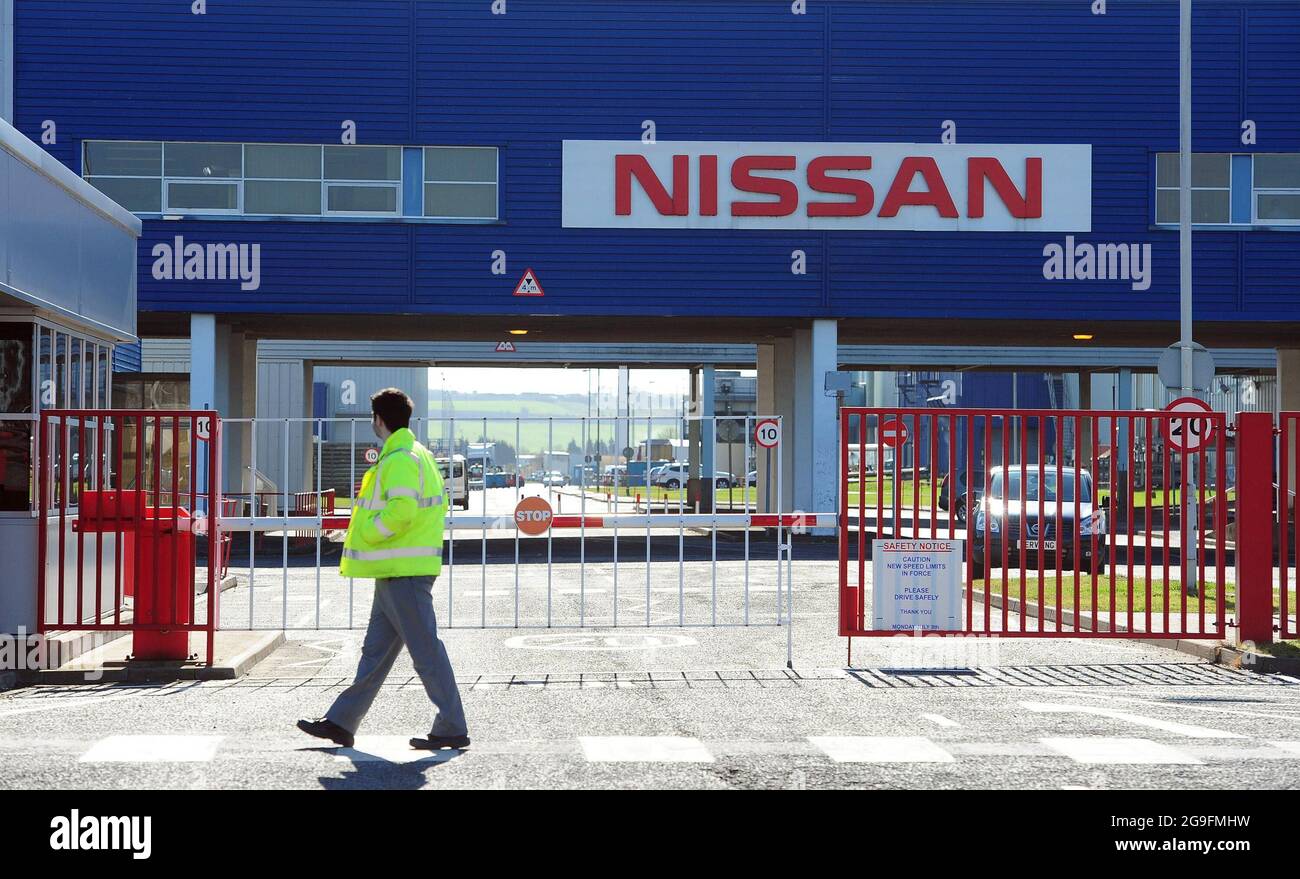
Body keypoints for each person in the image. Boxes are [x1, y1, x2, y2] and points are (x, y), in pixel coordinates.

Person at [298, 388, 470, 751]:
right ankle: (342, 722)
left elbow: (402, 511)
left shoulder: (400, 460)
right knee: (375, 654)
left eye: (373, 419)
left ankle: (452, 726)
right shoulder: (412, 454)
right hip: (397, 571)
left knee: (426, 652)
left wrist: (366, 533)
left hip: (403, 571)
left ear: (378, 419)